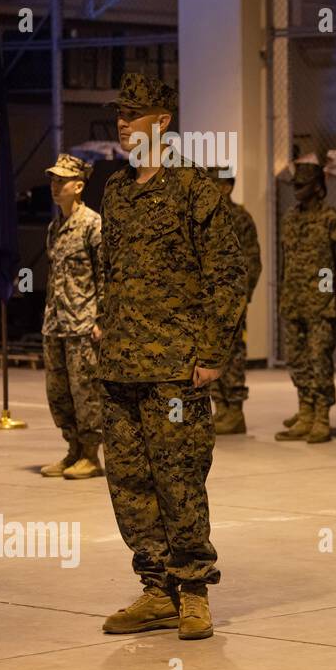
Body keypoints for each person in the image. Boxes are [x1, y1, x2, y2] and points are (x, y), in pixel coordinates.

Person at [96, 73, 246, 640]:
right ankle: (155, 589)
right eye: (119, 114)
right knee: (129, 480)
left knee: (179, 477)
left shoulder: (194, 187)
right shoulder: (115, 189)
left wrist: (211, 352)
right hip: (121, 364)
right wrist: (102, 323)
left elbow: (228, 274)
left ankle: (193, 590)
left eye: (132, 115)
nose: (121, 123)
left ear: (161, 122)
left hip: (176, 368)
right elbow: (113, 269)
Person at [275, 161, 336, 444]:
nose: (297, 190)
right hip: (294, 301)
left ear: (318, 188)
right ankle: (305, 411)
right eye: (295, 185)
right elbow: (285, 262)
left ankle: (322, 415)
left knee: (319, 360)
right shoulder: (290, 219)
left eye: (303, 185)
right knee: (296, 360)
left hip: (322, 306)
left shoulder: (333, 220)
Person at [39, 153, 104, 479]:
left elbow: (105, 274)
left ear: (78, 186)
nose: (55, 185)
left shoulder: (93, 224)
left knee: (86, 393)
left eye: (61, 180)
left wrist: (101, 319)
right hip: (56, 323)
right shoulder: (55, 227)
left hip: (82, 324)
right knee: (60, 393)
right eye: (53, 179)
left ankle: (91, 456)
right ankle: (73, 450)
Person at [209, 169, 262, 435]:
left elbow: (253, 260)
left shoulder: (239, 217)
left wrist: (243, 296)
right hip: (207, 301)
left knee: (233, 355)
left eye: (214, 183)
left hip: (231, 300)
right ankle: (221, 407)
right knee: (210, 354)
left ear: (227, 187)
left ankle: (235, 411)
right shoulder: (205, 217)